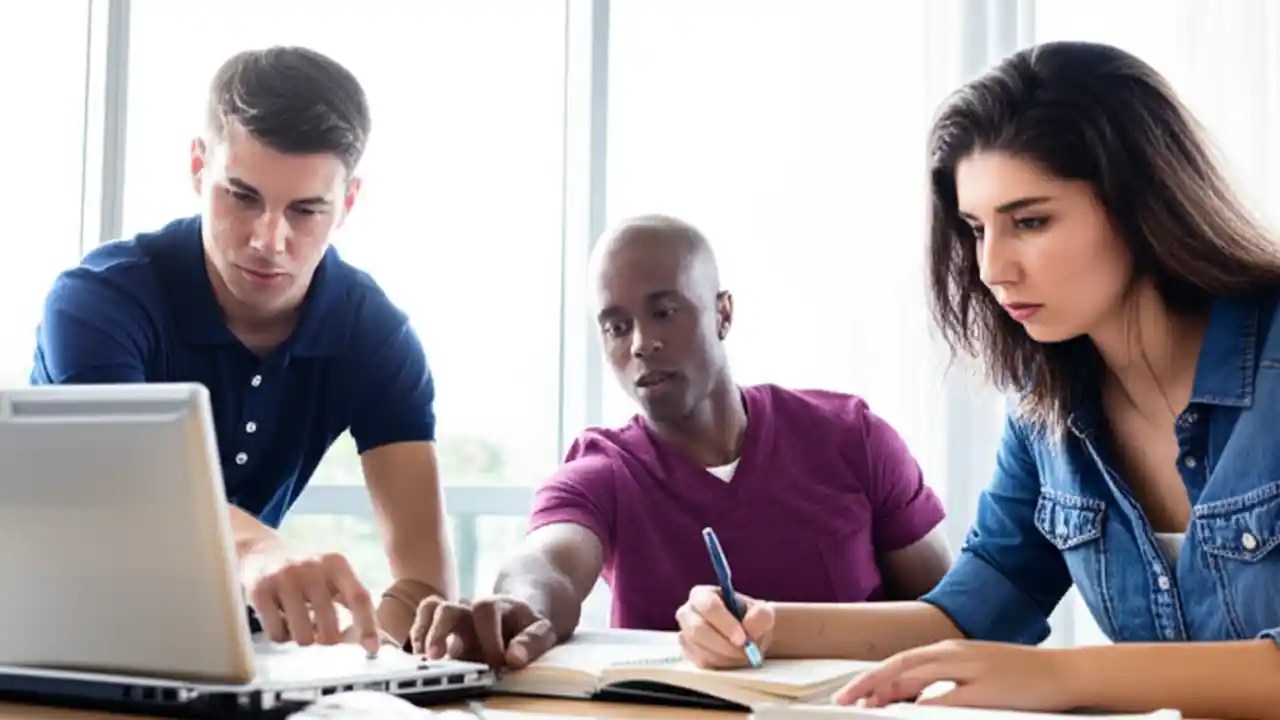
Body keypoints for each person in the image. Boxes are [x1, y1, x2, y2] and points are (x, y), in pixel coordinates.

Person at [674, 40, 1280, 718]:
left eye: (1030, 222)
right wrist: (762, 624)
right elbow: (972, 609)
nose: (991, 269)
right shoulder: (1049, 406)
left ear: (1142, 203)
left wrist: (1057, 677)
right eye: (975, 229)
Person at [31, 46, 455, 654]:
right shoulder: (99, 302)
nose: (268, 240)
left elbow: (425, 586)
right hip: (46, 633)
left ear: (347, 203)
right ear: (198, 167)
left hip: (228, 647)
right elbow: (124, 489)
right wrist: (258, 548)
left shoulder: (376, 335)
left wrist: (363, 654)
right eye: (242, 195)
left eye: (306, 210)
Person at [406, 214, 951, 668]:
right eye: (617, 326)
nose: (641, 344)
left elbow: (951, 617)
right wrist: (515, 606)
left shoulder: (851, 438)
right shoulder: (602, 472)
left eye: (664, 313)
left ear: (723, 313)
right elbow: (546, 564)